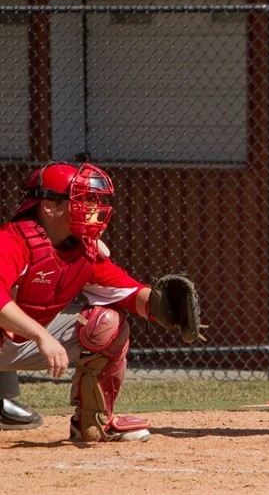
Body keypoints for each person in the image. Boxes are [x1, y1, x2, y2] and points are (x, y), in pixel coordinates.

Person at [0, 161, 189, 442]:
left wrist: (165, 307)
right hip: (15, 338)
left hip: (20, 343)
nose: (93, 208)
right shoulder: (11, 241)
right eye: (83, 199)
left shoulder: (82, 251)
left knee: (105, 323)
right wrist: (41, 336)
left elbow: (128, 292)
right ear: (49, 206)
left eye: (94, 200)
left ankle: (92, 423)